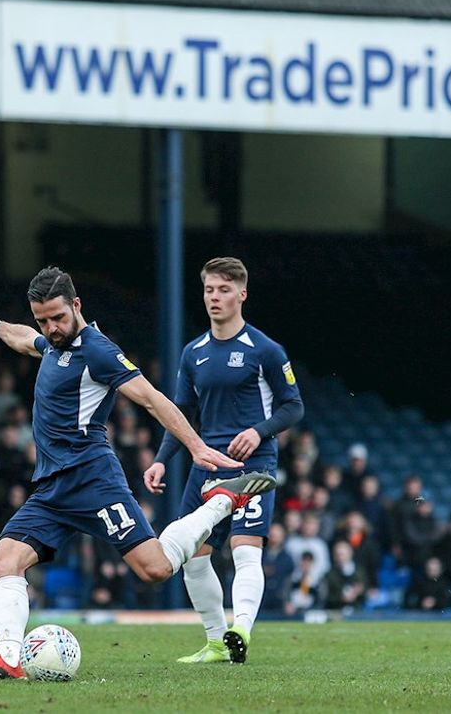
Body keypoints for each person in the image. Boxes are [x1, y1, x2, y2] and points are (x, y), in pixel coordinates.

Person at [0, 267, 272, 680]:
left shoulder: (98, 351)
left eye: (58, 318)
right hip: (51, 487)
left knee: (154, 569)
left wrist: (196, 447)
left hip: (92, 480)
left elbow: (152, 399)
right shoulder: (52, 344)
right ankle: (8, 659)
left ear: (76, 306)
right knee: (3, 561)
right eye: (42, 320)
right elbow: (21, 338)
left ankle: (222, 501)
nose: (50, 328)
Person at [143, 257, 304, 665]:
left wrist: (258, 431)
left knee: (245, 550)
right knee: (193, 559)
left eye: (224, 290)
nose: (215, 297)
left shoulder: (265, 350)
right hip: (206, 466)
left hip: (253, 467)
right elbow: (180, 414)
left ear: (241, 294)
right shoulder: (193, 352)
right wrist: (162, 459)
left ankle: (241, 630)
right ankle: (217, 642)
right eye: (209, 290)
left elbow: (293, 408)